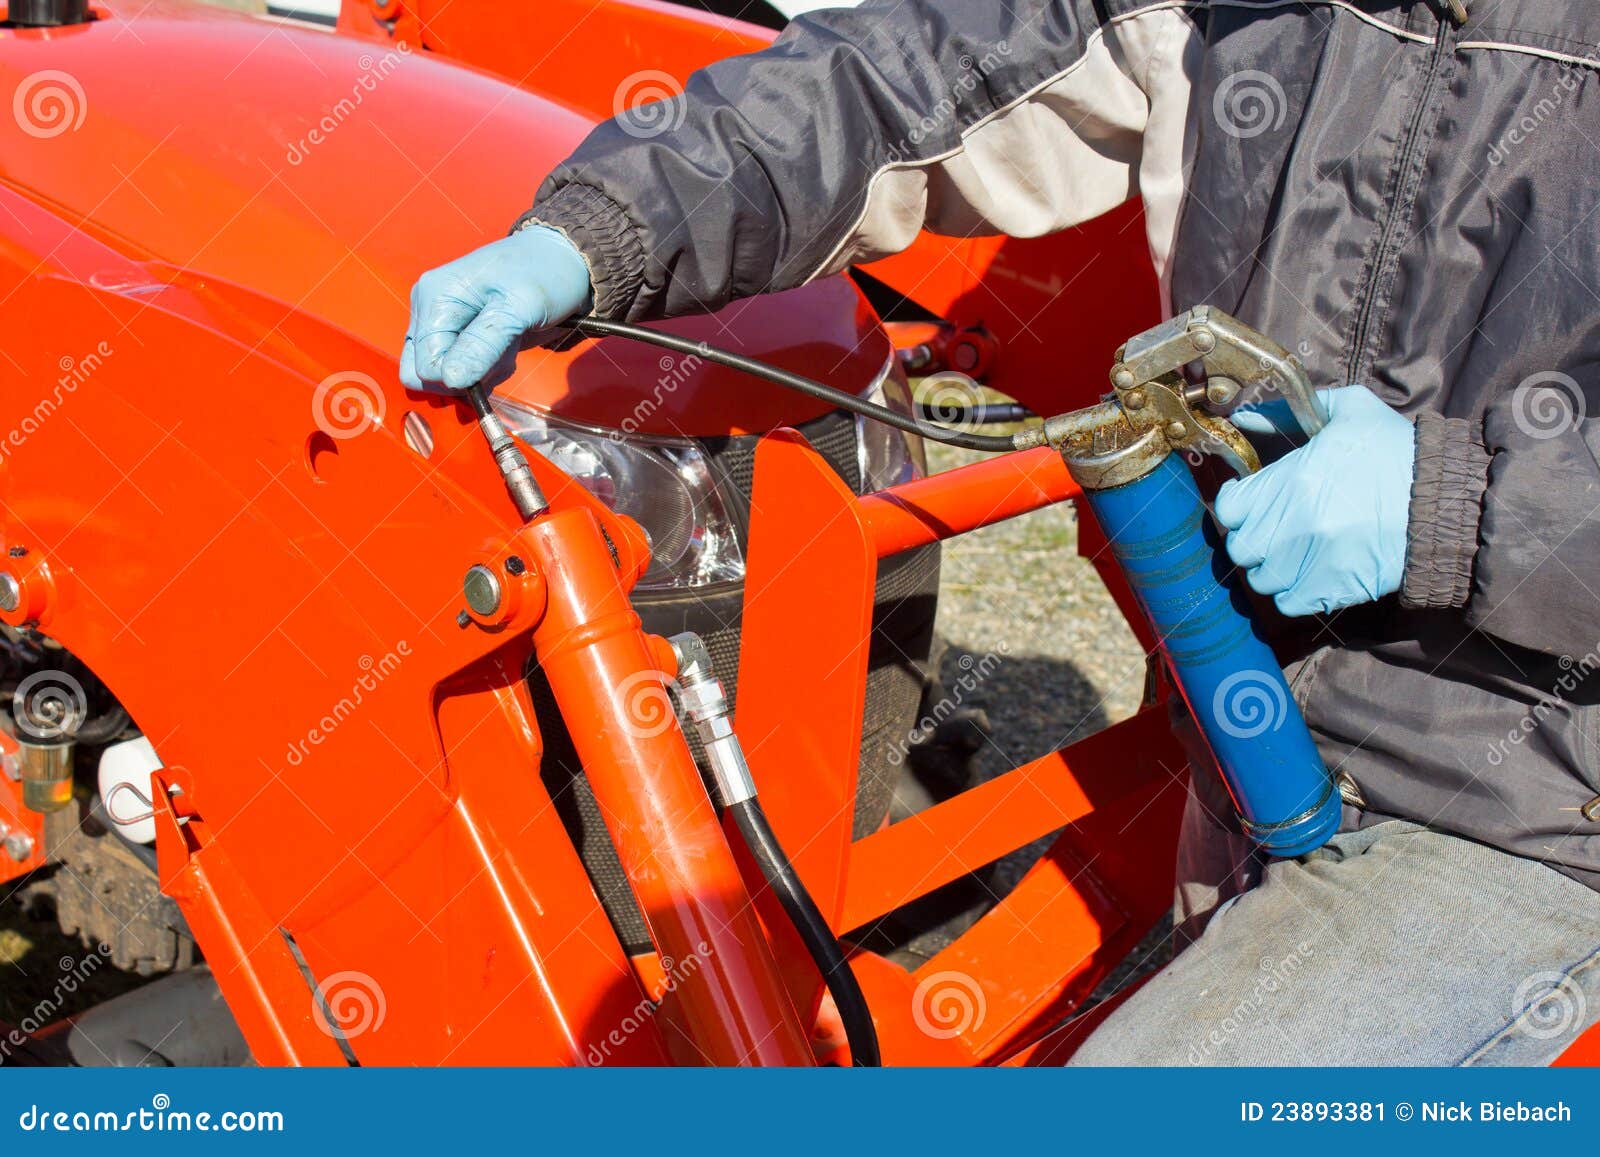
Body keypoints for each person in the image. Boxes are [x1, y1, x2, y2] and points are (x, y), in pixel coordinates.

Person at [401, 0, 1600, 1065]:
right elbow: (898, 75)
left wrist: (1458, 506)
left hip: (1540, 816)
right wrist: (599, 233)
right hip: (1262, 738)